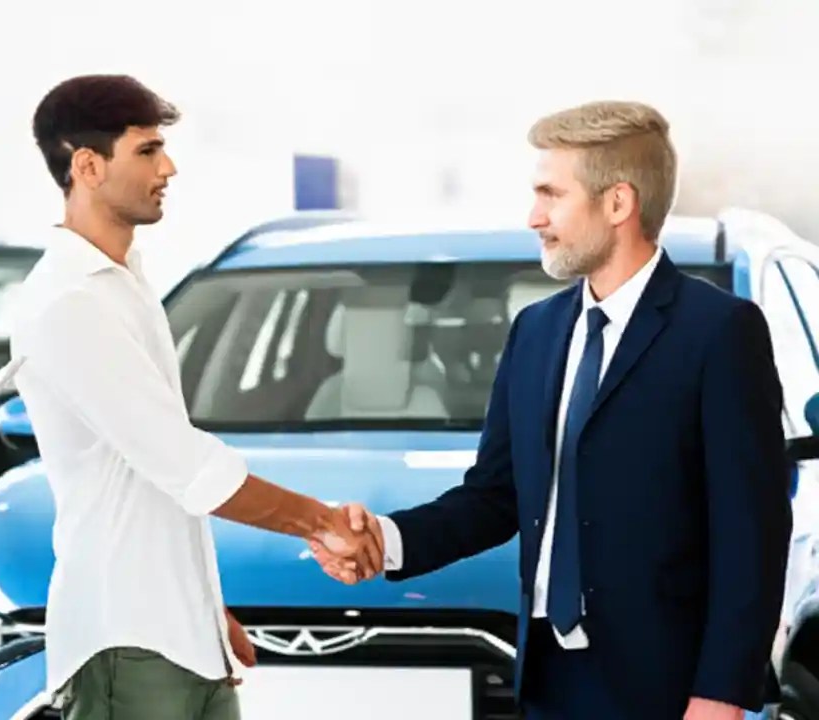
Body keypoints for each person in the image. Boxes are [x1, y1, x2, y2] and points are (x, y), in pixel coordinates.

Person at [312, 100, 792, 719]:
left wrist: (722, 693)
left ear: (618, 203)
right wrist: (388, 538)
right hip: (548, 680)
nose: (534, 217)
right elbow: (495, 496)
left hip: (666, 687)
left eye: (551, 194)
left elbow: (751, 532)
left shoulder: (720, 331)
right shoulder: (536, 332)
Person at [8, 74, 384, 720]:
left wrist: (205, 609)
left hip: (177, 635)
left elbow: (150, 486)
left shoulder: (123, 283)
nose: (169, 167)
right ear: (88, 166)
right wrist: (321, 523)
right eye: (148, 151)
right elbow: (185, 465)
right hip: (128, 639)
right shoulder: (71, 301)